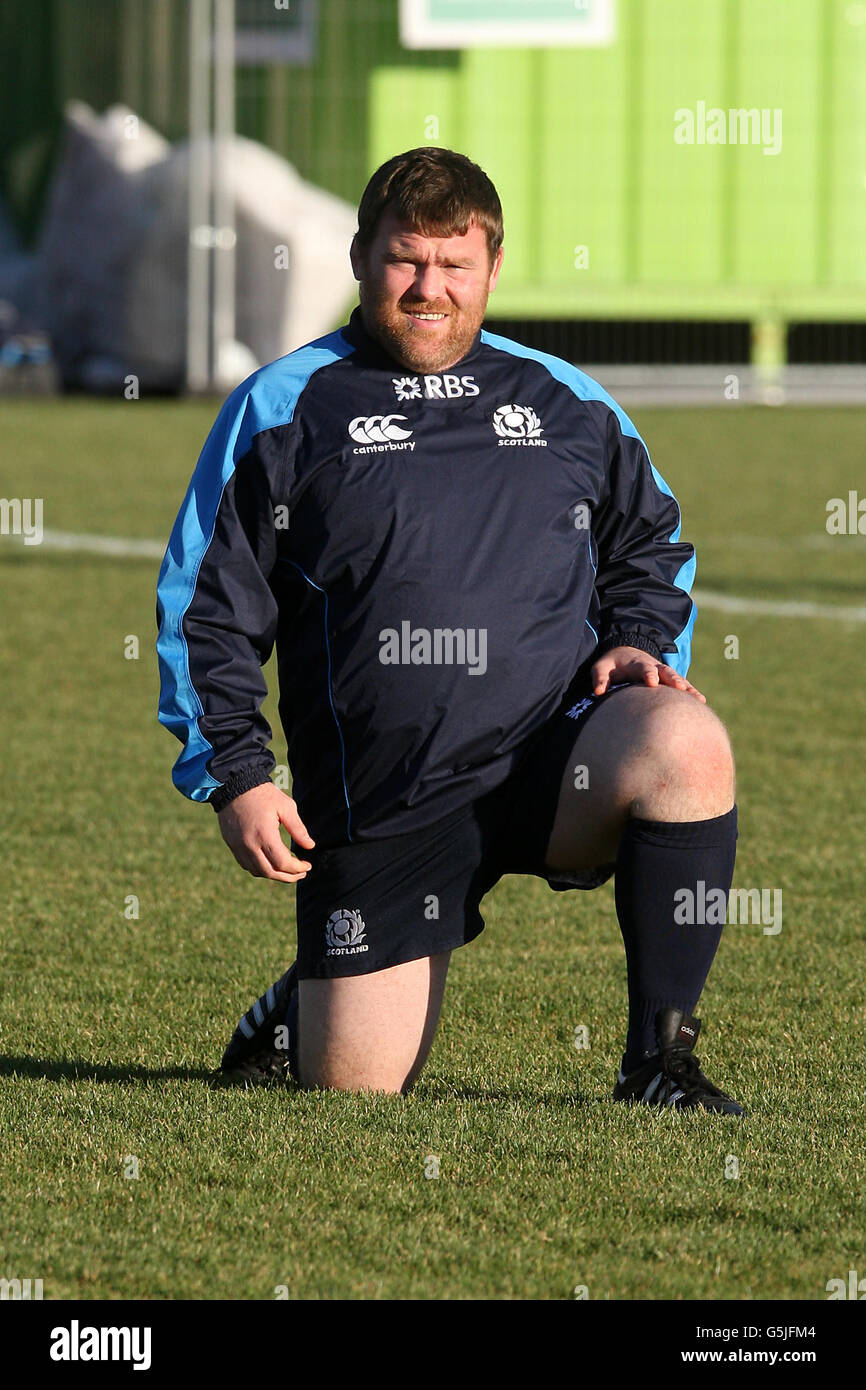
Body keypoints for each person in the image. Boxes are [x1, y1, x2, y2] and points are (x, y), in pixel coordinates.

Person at [156, 147, 742, 1112]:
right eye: (406, 260)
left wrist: (638, 639)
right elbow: (205, 607)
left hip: (553, 762)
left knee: (684, 740)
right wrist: (239, 777)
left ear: (493, 269)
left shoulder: (568, 402)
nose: (430, 288)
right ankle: (301, 1006)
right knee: (353, 1093)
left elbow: (653, 543)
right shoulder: (284, 408)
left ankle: (659, 1063)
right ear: (360, 258)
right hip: (388, 802)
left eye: (454, 264)